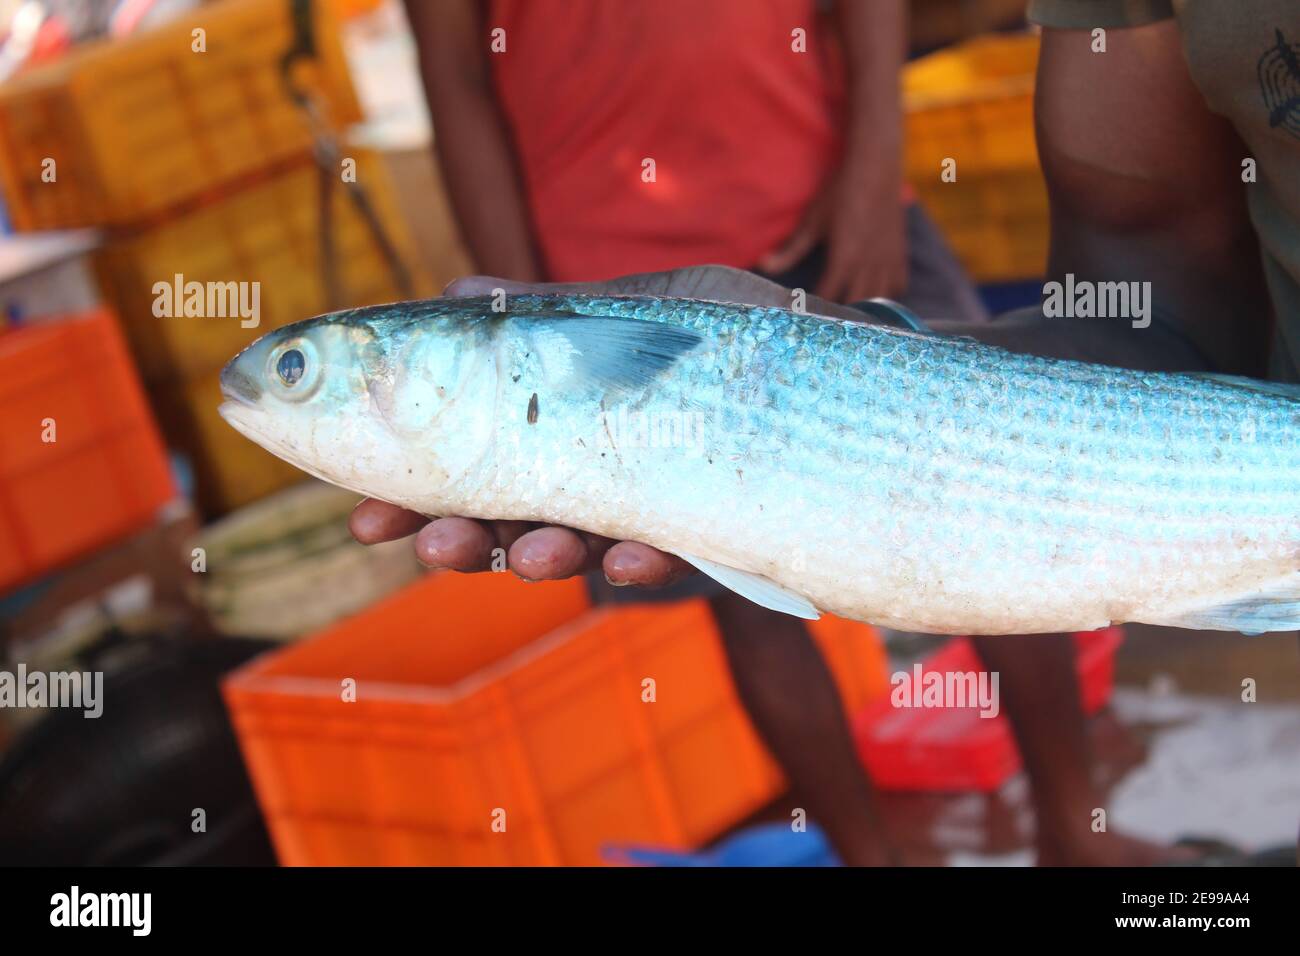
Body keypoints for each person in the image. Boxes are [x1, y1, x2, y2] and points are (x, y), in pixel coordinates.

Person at [366, 1, 1292, 864]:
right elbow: (1153, 285)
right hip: (605, 262)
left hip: (808, 192)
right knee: (742, 571)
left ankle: (1070, 822)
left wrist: (865, 178)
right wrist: (527, 317)